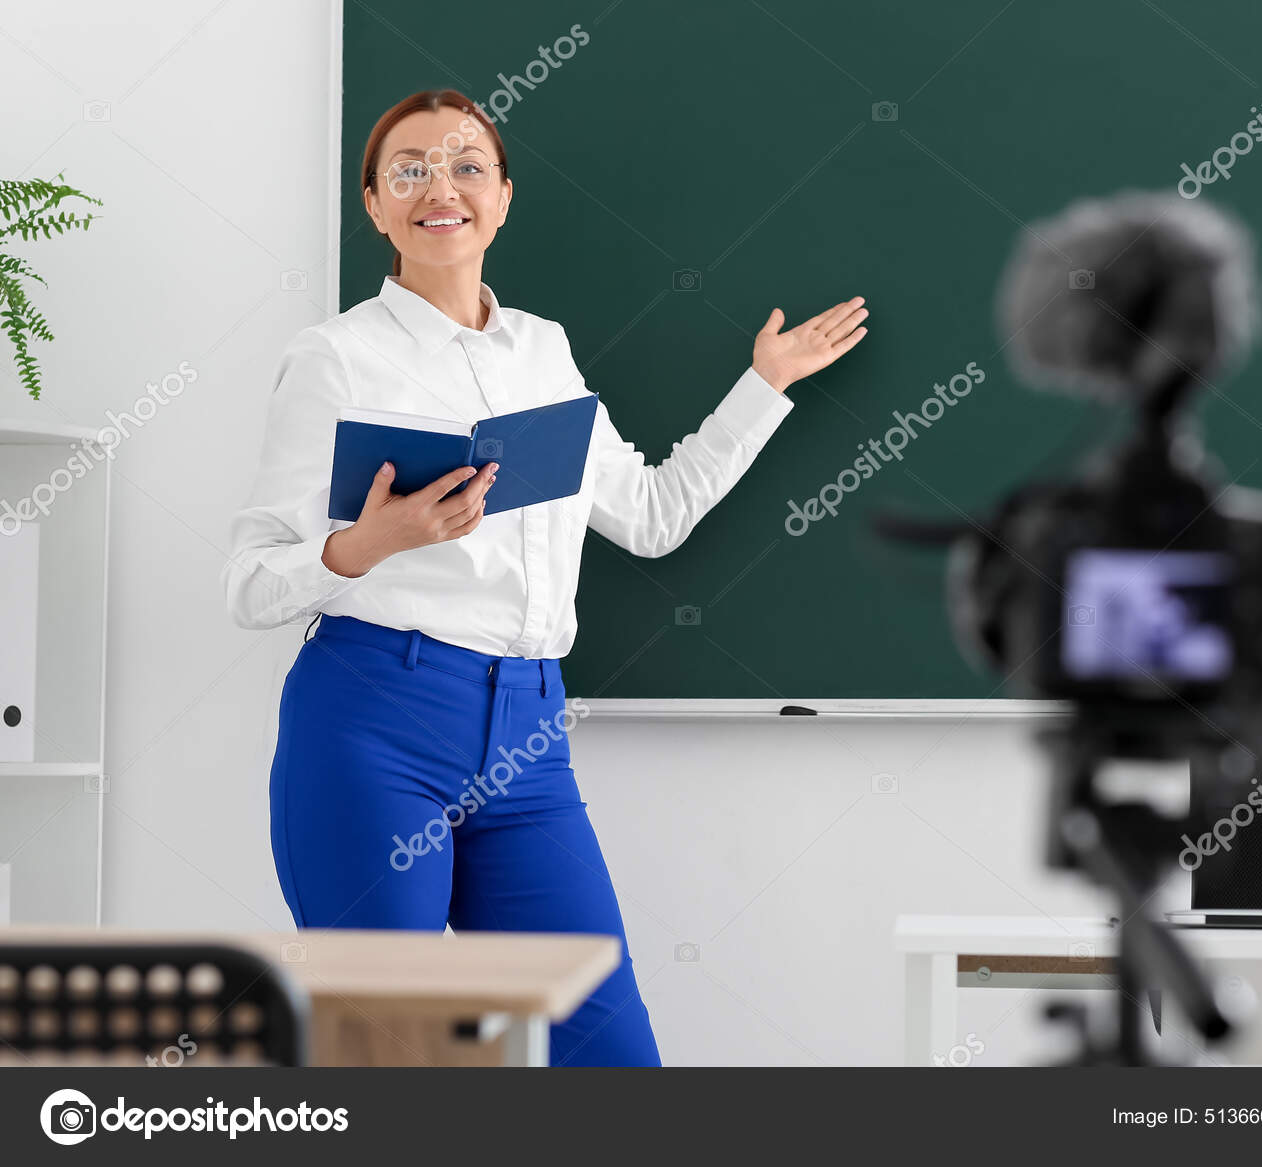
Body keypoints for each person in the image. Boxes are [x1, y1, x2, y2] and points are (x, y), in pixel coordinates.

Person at [221, 88, 868, 1066]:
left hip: (527, 738)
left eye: (466, 165)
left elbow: (650, 519)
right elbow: (250, 583)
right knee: (392, 1052)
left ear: (506, 197)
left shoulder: (543, 352)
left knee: (608, 1051)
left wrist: (762, 386)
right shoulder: (334, 360)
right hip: (372, 726)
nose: (441, 186)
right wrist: (376, 541)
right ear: (374, 205)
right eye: (410, 169)